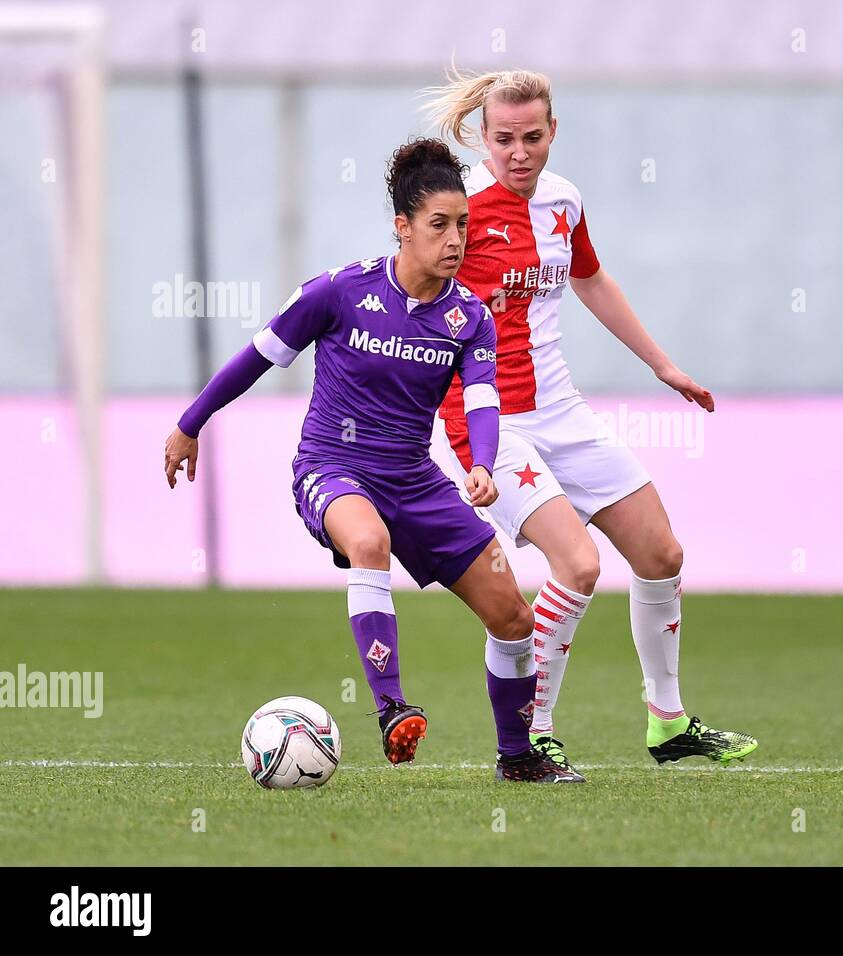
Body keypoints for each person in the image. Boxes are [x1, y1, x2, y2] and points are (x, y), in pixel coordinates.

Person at [164, 137, 582, 783]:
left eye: (463, 225)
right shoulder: (337, 292)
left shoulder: (469, 317)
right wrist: (190, 425)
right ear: (403, 227)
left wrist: (483, 464)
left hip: (417, 479)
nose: (455, 240)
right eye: (439, 225)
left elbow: (481, 401)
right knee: (369, 540)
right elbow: (256, 357)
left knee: (513, 615)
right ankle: (391, 710)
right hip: (332, 468)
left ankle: (518, 756)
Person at [421, 68, 758, 775]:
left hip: (561, 411)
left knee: (662, 554)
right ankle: (531, 733)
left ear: (552, 132)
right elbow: (416, 303)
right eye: (505, 138)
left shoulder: (564, 203)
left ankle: (668, 723)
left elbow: (591, 278)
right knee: (577, 565)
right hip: (489, 420)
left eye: (533, 137)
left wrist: (661, 364)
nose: (519, 151)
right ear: (484, 137)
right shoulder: (461, 209)